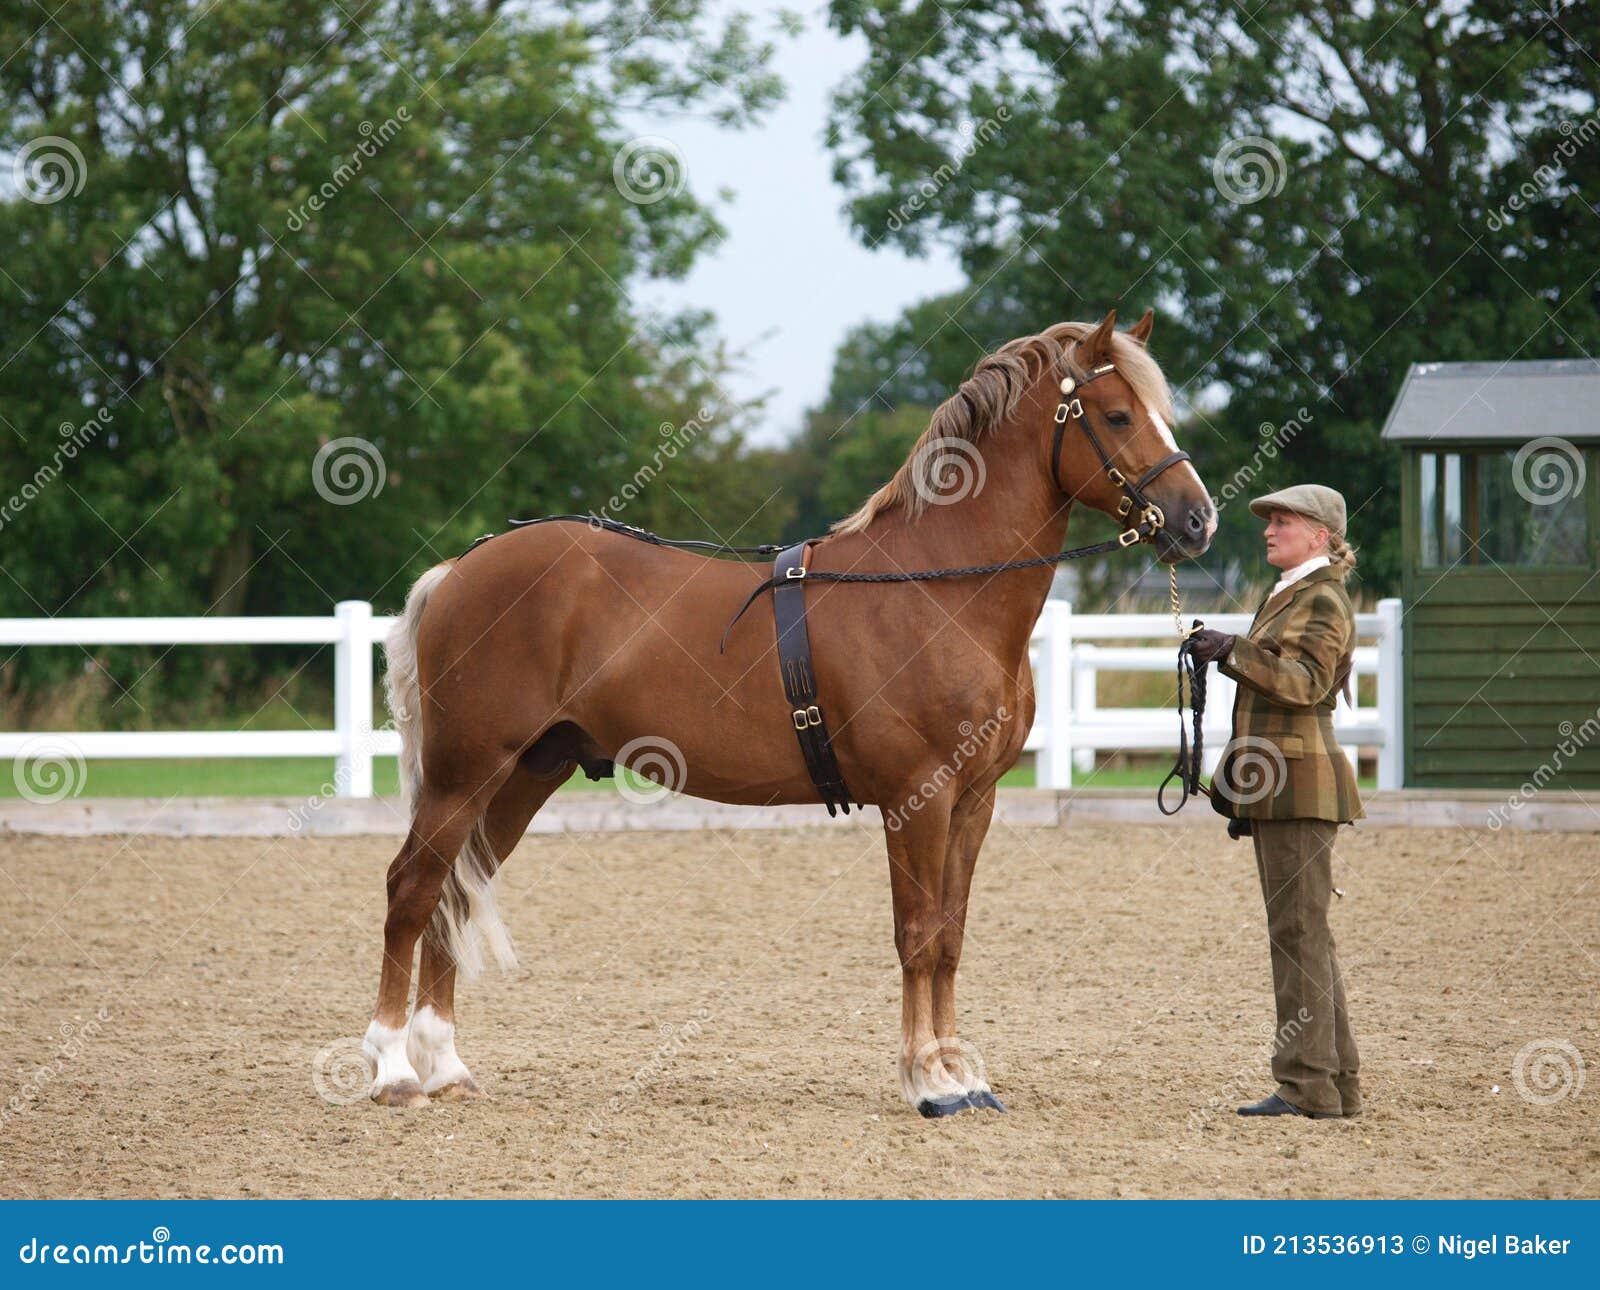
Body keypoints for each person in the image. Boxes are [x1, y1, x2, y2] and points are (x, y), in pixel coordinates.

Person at [1187, 485, 1364, 1120]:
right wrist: (1231, 648)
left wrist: (1232, 651)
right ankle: (1335, 1084)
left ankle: (1306, 1085)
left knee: (1297, 934)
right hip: (1281, 785)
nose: (1269, 529)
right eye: (1269, 521)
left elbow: (1306, 683)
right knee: (1305, 931)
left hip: (1300, 785)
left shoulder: (1322, 597)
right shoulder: (1291, 591)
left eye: (1283, 521)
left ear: (1319, 534)